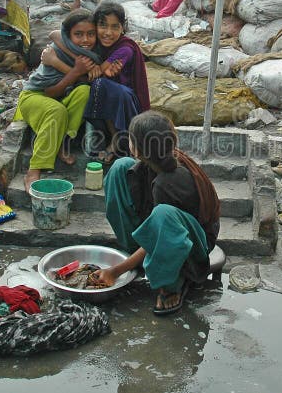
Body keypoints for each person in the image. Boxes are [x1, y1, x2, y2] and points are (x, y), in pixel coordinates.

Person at [90, 111, 220, 316]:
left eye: (130, 139)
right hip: (165, 229)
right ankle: (137, 254)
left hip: (193, 244)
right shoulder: (156, 162)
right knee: (119, 168)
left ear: (139, 150)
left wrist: (116, 271)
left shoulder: (170, 183)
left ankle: (171, 283)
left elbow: (165, 232)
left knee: (163, 214)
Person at [44, 1, 150, 162]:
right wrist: (79, 58)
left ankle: (116, 139)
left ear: (123, 28)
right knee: (95, 86)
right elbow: (54, 34)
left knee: (98, 84)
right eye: (103, 26)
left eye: (115, 27)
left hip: (126, 101)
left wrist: (58, 63)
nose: (108, 32)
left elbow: (95, 74)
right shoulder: (93, 42)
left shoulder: (125, 48)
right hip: (106, 98)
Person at [15, 9, 100, 189]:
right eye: (78, 34)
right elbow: (50, 92)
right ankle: (34, 170)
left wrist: (79, 71)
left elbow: (85, 82)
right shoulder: (55, 53)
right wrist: (76, 71)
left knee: (84, 91)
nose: (85, 40)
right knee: (56, 110)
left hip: (61, 96)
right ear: (68, 35)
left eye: (90, 34)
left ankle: (62, 142)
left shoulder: (89, 56)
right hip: (35, 96)